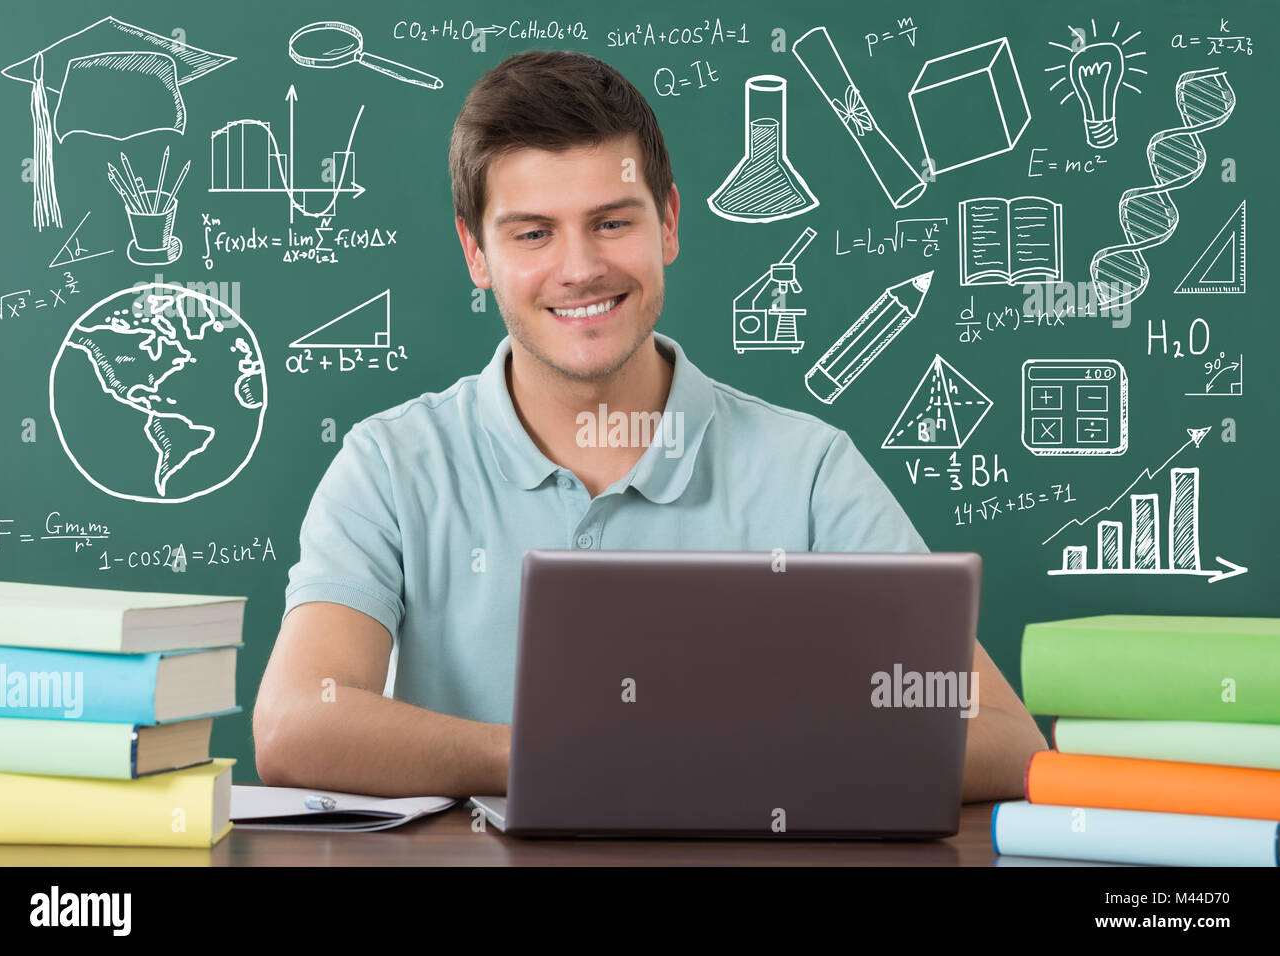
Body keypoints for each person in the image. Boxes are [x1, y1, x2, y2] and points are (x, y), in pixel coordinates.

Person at [253, 50, 1047, 801]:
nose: (580, 268)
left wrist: (714, 756)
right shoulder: (391, 464)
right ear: (477, 253)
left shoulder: (807, 469)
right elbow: (295, 724)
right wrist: (551, 752)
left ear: (667, 223)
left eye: (612, 222)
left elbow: (1006, 740)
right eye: (532, 233)